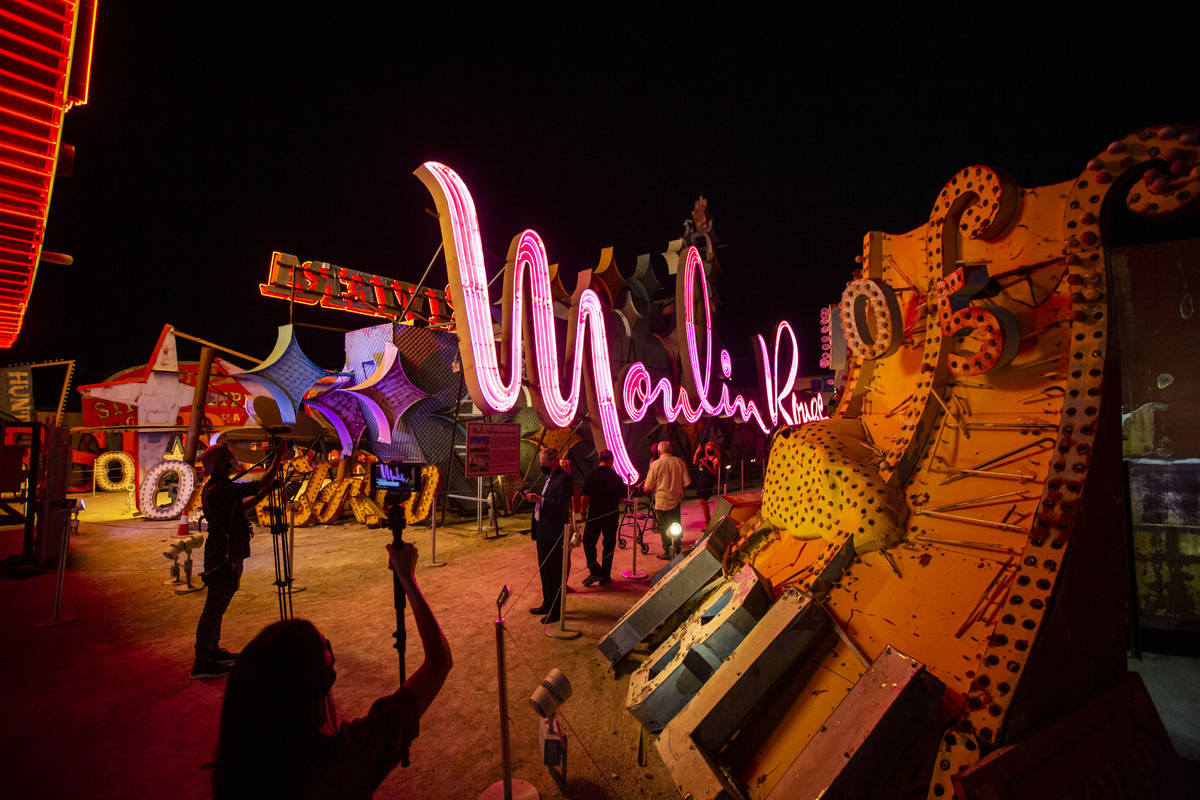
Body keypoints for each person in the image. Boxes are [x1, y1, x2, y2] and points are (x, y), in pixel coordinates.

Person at [211, 541, 452, 799]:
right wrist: (407, 577)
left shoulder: (234, 774)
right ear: (313, 691)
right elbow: (439, 661)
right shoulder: (343, 762)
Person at [191, 439, 285, 680]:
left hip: (227, 552)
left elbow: (244, 506)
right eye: (225, 460)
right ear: (216, 465)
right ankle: (202, 661)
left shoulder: (218, 488)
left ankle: (212, 650)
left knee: (218, 606)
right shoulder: (223, 489)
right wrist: (278, 458)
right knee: (214, 607)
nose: (230, 463)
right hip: (224, 555)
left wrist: (264, 493)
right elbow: (260, 482)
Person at [521, 446, 573, 623]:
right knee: (544, 568)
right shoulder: (549, 477)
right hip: (542, 528)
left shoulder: (564, 479)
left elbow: (560, 505)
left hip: (554, 530)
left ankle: (556, 610)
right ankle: (547, 603)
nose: (541, 466)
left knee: (554, 571)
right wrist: (532, 498)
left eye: (543, 463)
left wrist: (540, 500)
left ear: (553, 461)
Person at [580, 450, 626, 587]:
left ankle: (595, 569)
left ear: (599, 459)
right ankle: (605, 576)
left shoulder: (591, 475)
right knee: (609, 545)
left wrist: (583, 513)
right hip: (611, 515)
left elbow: (584, 498)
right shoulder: (617, 477)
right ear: (611, 460)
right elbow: (622, 500)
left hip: (594, 515)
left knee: (588, 542)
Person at [643, 440, 691, 559]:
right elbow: (686, 483)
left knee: (664, 527)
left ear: (659, 452)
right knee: (676, 523)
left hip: (662, 501)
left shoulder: (655, 464)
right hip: (676, 500)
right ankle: (677, 548)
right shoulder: (679, 462)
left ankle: (667, 550)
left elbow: (647, 487)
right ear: (671, 450)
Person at [693, 441, 721, 526]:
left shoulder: (716, 459)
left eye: (710, 449)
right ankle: (708, 521)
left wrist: (706, 465)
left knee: (703, 501)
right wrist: (697, 451)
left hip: (708, 481)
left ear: (714, 449)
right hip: (701, 480)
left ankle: (707, 523)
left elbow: (714, 472)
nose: (708, 451)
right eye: (707, 449)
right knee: (703, 502)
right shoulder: (705, 458)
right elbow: (695, 462)